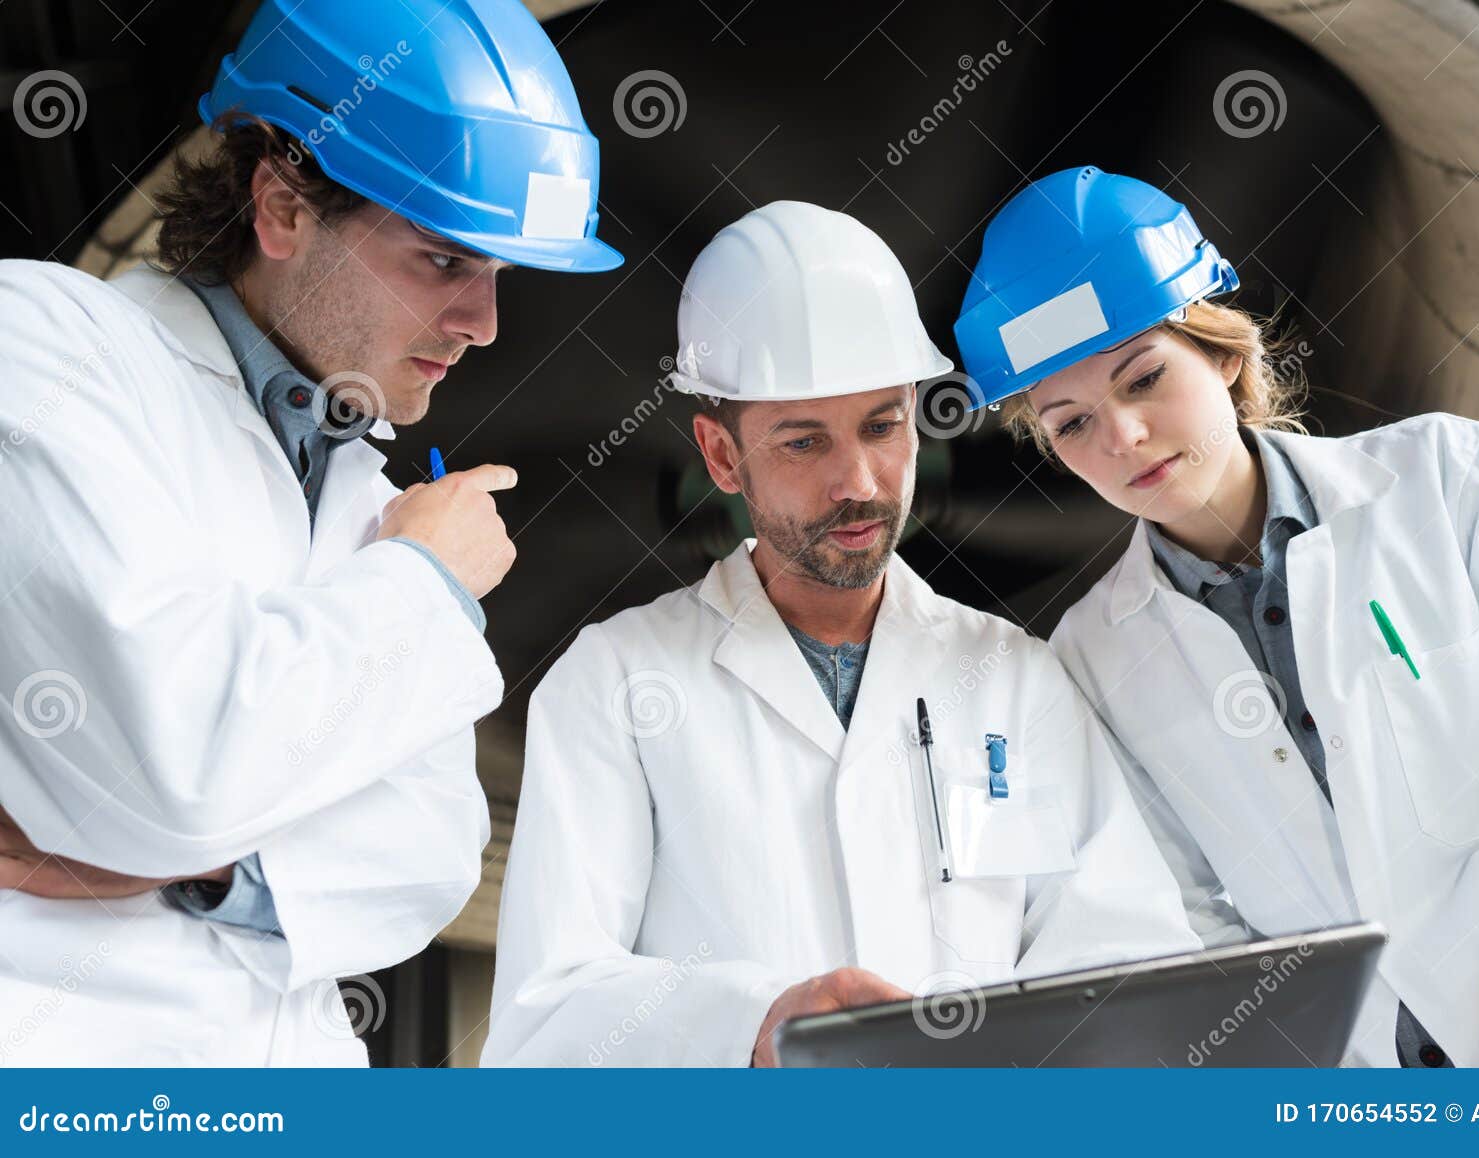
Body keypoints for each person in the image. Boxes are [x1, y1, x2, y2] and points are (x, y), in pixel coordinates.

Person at [0, 0, 621, 1065]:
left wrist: (210, 869)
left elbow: (434, 850)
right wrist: (426, 579)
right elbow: (175, 773)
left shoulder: (359, 483)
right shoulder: (47, 344)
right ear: (283, 209)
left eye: (499, 276)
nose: (483, 324)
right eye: (444, 260)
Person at [481, 200, 1200, 1068]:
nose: (858, 482)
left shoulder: (1017, 677)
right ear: (722, 456)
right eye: (803, 443)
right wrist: (756, 1026)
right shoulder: (614, 682)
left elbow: (1129, 959)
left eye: (882, 427)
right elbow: (545, 1021)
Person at [953, 165, 1479, 1067]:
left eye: (1144, 378)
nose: (1123, 437)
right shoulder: (1090, 660)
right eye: (1071, 424)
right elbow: (1188, 922)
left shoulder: (1457, 482)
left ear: (1222, 351)